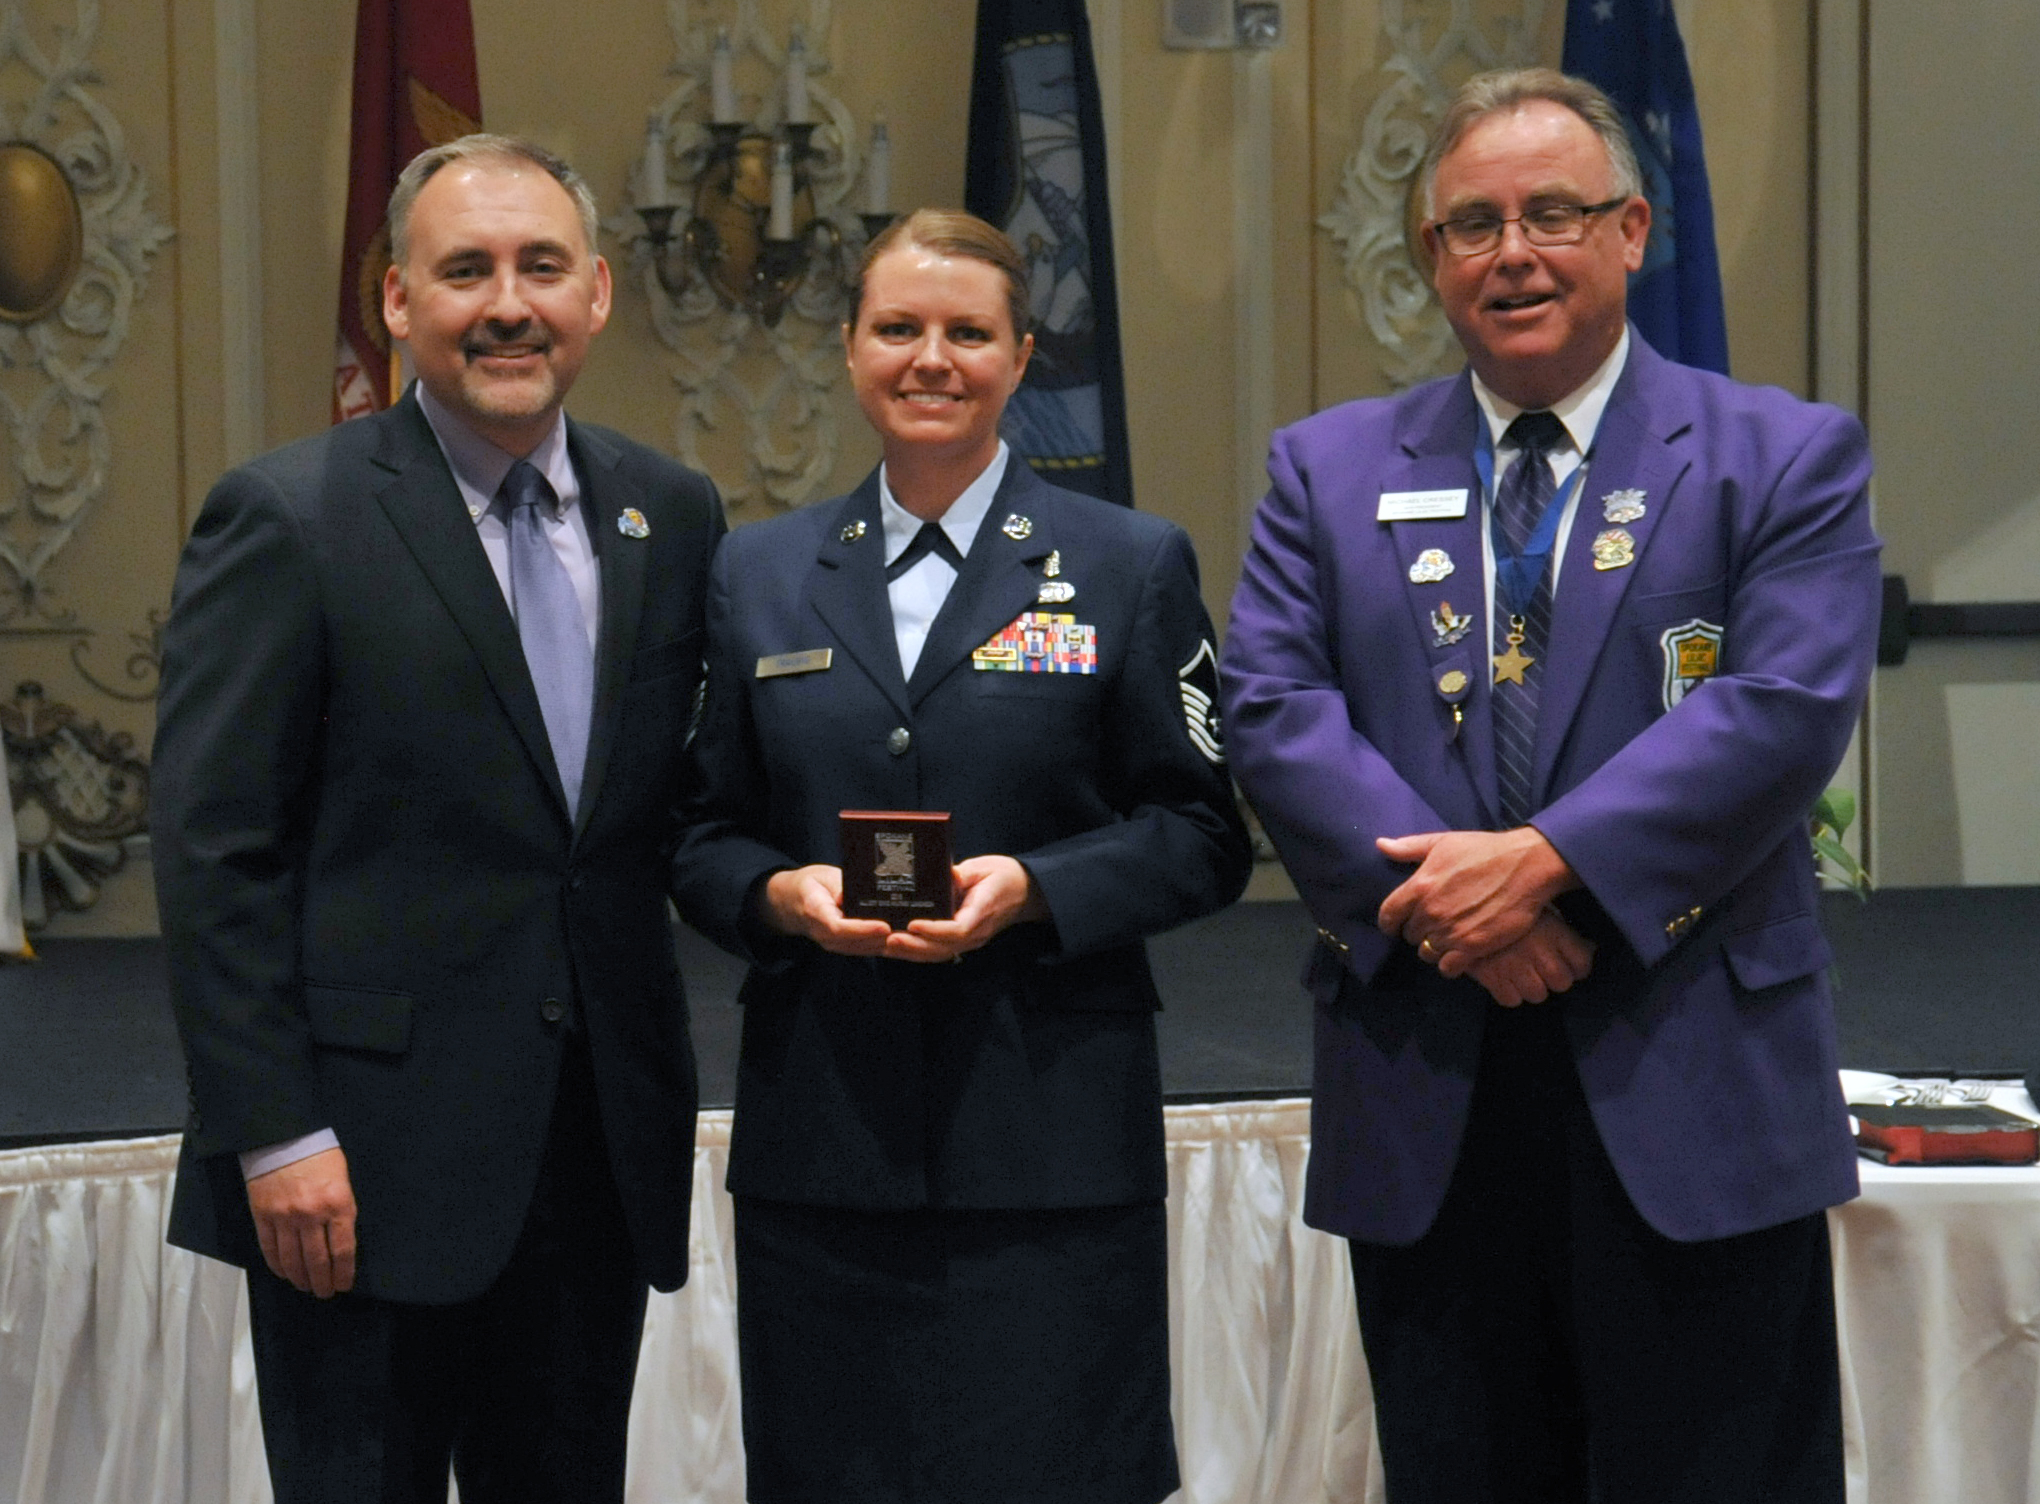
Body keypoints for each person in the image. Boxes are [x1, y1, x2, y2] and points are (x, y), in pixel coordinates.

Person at [1221, 69, 1881, 1504]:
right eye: (1471, 225)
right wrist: (1474, 906)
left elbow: (1781, 711)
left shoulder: (1781, 456)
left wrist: (1541, 865)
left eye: (1553, 213)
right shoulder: (1322, 472)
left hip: (1693, 1080)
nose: (1512, 251)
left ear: (1634, 231)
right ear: (1433, 261)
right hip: (1430, 1089)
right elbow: (1271, 709)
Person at [152, 135, 724, 1504]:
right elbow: (214, 850)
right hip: (355, 1173)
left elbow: (665, 818)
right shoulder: (290, 517)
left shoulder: (674, 512)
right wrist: (274, 1132)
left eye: (539, 267)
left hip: (593, 1160)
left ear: (594, 293)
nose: (506, 304)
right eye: (464, 271)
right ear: (398, 302)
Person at [669, 208, 1250, 1504]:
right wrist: (778, 894)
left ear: (1021, 354)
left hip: (1046, 1142)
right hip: (825, 1143)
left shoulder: (1128, 564)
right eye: (900, 328)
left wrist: (1037, 889)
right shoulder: (755, 574)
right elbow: (695, 833)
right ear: (851, 347)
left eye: (967, 332)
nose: (932, 357)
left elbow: (1204, 834)